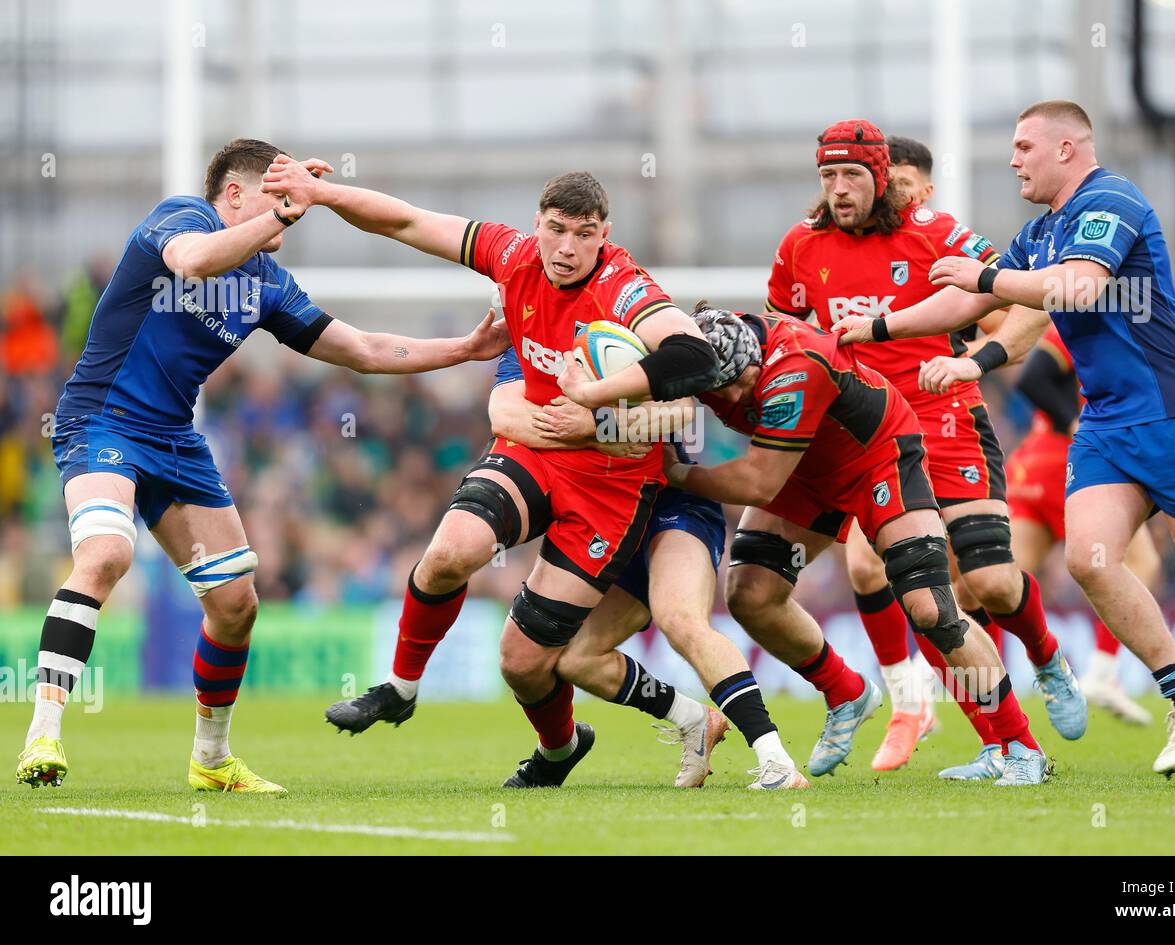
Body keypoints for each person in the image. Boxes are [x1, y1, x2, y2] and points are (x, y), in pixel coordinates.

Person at [15, 138, 509, 793]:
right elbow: (189, 264)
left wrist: (466, 349)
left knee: (236, 602)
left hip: (173, 438)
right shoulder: (183, 219)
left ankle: (211, 759)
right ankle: (42, 734)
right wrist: (280, 214)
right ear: (236, 195)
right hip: (102, 419)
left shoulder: (266, 283)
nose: (290, 209)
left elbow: (360, 348)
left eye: (292, 198)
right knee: (106, 554)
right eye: (276, 196)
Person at [836, 100, 1175, 786]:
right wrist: (900, 335)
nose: (1014, 158)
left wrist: (984, 279)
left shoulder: (1111, 199)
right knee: (1089, 559)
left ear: (1066, 149)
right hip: (1107, 419)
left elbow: (1077, 289)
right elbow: (1003, 311)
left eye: (1024, 146)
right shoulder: (1043, 230)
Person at [275, 160, 729, 788]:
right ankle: (403, 687)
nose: (567, 248)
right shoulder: (510, 255)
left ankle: (582, 746)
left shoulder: (626, 290)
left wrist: (600, 406)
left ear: (606, 234)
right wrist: (322, 193)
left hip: (614, 486)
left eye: (585, 233)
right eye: (556, 229)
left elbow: (694, 357)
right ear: (536, 225)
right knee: (448, 553)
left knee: (522, 662)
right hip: (536, 452)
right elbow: (405, 220)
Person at [765, 122, 1083, 775]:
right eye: (829, 175)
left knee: (989, 581)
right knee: (894, 581)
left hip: (944, 419)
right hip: (872, 434)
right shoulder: (801, 246)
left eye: (853, 174)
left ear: (886, 180)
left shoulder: (931, 231)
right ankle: (948, 719)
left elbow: (1022, 293)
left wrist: (977, 357)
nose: (839, 188)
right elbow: (787, 330)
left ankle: (1048, 659)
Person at [668, 304, 1050, 785]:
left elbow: (758, 482)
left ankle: (1021, 746)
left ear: (756, 359)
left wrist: (676, 473)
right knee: (750, 595)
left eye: (741, 383)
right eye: (717, 391)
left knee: (931, 607)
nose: (734, 398)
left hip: (878, 458)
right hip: (805, 468)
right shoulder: (696, 359)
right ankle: (846, 692)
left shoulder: (797, 365)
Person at [489, 345, 805, 788]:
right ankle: (693, 719)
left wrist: (598, 424)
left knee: (680, 619)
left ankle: (775, 760)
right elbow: (505, 417)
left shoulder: (631, 330)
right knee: (576, 659)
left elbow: (681, 412)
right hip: (608, 518)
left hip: (672, 505)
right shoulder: (532, 348)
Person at [1004, 323, 1155, 726]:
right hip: (1071, 465)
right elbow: (1033, 379)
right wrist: (1077, 427)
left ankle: (926, 679)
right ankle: (1102, 673)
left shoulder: (1101, 322)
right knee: (1140, 561)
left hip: (1030, 468)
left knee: (999, 585)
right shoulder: (1086, 320)